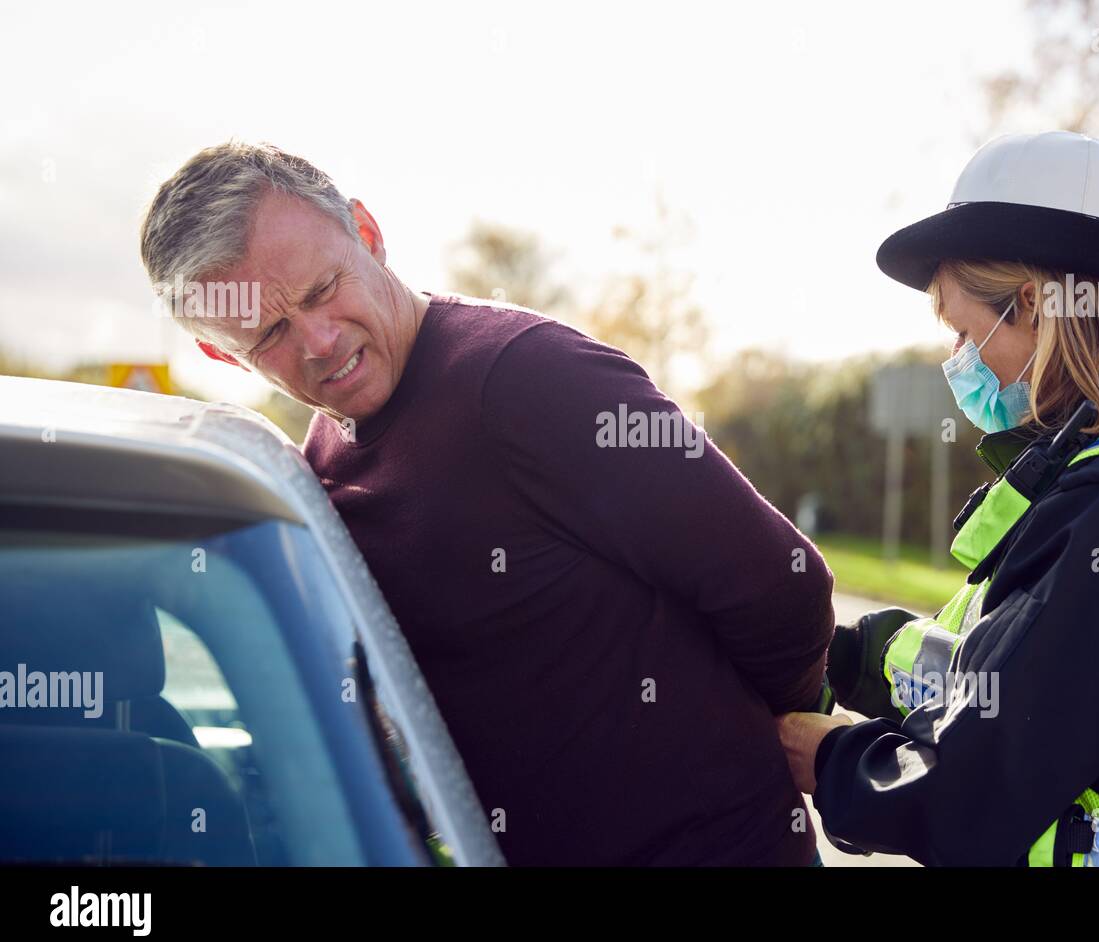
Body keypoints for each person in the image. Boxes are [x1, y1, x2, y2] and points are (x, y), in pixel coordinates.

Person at [140, 142, 835, 866]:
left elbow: (781, 582)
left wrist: (771, 731)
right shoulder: (314, 469)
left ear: (367, 234)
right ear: (222, 353)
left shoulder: (529, 375)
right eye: (271, 334)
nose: (318, 341)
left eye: (322, 290)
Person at [778, 131, 1099, 866]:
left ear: (1030, 306)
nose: (957, 362)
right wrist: (852, 656)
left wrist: (830, 758)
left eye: (963, 331)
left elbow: (969, 793)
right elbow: (1010, 673)